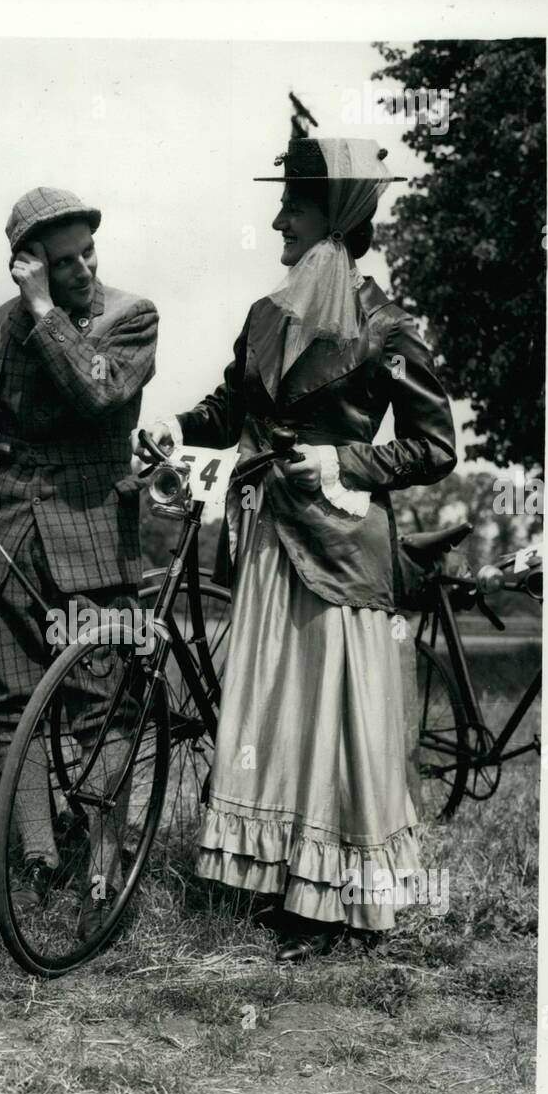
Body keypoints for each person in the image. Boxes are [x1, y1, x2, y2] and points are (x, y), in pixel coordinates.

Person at [134, 138, 456, 961]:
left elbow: (433, 447)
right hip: (270, 542)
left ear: (336, 222)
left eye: (296, 207)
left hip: (342, 550)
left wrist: (343, 459)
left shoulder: (386, 326)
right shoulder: (267, 316)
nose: (277, 218)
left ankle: (340, 902)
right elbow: (230, 402)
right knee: (277, 711)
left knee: (335, 719)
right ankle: (284, 879)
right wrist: (178, 422)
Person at [0, 187, 159, 936]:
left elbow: (98, 398)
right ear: (25, 262)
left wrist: (43, 312)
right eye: (59, 261)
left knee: (105, 710)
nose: (79, 270)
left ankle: (105, 866)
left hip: (92, 543)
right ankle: (36, 860)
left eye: (86, 253)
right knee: (12, 711)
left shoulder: (130, 317)